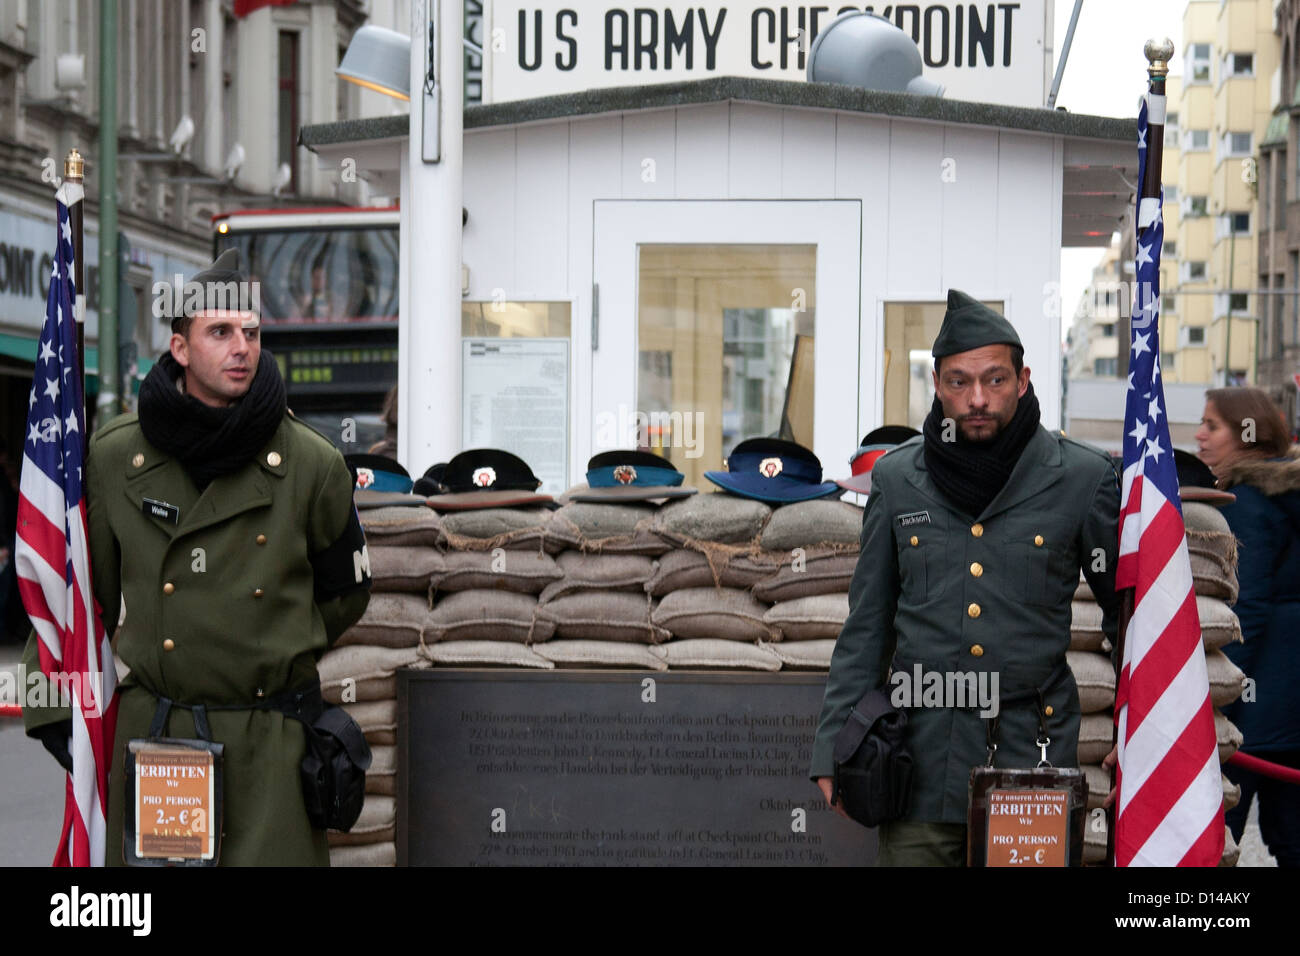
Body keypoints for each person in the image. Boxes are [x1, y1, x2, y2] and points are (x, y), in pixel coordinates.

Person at [21, 248, 372, 866]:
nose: (242, 347)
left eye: (251, 332)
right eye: (220, 332)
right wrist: (54, 706)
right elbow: (80, 596)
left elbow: (343, 594)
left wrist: (266, 645)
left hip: (269, 746)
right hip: (157, 738)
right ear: (180, 347)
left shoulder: (311, 464)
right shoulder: (115, 458)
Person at [809, 290, 1120, 866]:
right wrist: (833, 748)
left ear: (1024, 380)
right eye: (959, 382)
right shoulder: (900, 478)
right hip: (917, 760)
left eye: (994, 380)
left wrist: (1139, 732)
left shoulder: (1083, 477)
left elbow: (1128, 620)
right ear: (936, 384)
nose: (977, 399)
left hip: (1032, 757)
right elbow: (867, 625)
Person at [1195, 387, 1300, 867]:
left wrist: (1218, 695)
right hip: (1287, 711)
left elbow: (1244, 613)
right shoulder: (1285, 497)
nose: (1200, 435)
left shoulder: (1249, 504)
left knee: (1218, 837)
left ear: (1248, 437)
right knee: (1289, 837)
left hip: (1254, 716)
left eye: (1212, 426)